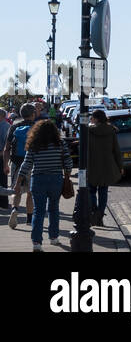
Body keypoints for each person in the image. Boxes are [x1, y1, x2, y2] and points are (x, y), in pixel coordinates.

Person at [17, 119, 71, 252]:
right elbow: (68, 162)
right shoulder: (60, 143)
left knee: (38, 211)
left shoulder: (34, 145)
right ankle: (54, 237)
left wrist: (18, 182)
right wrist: (67, 176)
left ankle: (36, 242)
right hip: (56, 180)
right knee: (54, 209)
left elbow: (26, 164)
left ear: (37, 131)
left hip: (38, 180)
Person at [85, 110, 123, 227]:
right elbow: (116, 150)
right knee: (103, 191)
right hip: (107, 166)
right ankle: (100, 214)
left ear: (96, 119)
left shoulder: (88, 131)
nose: (91, 119)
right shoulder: (111, 131)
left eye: (92, 117)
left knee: (91, 191)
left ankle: (95, 212)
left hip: (92, 165)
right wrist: (120, 166)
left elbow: (84, 149)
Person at [6, 104, 37, 228]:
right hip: (32, 163)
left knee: (16, 189)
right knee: (30, 192)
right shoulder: (37, 127)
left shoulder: (14, 127)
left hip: (16, 162)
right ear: (33, 114)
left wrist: (5, 164)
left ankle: (14, 209)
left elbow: (6, 148)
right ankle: (29, 219)